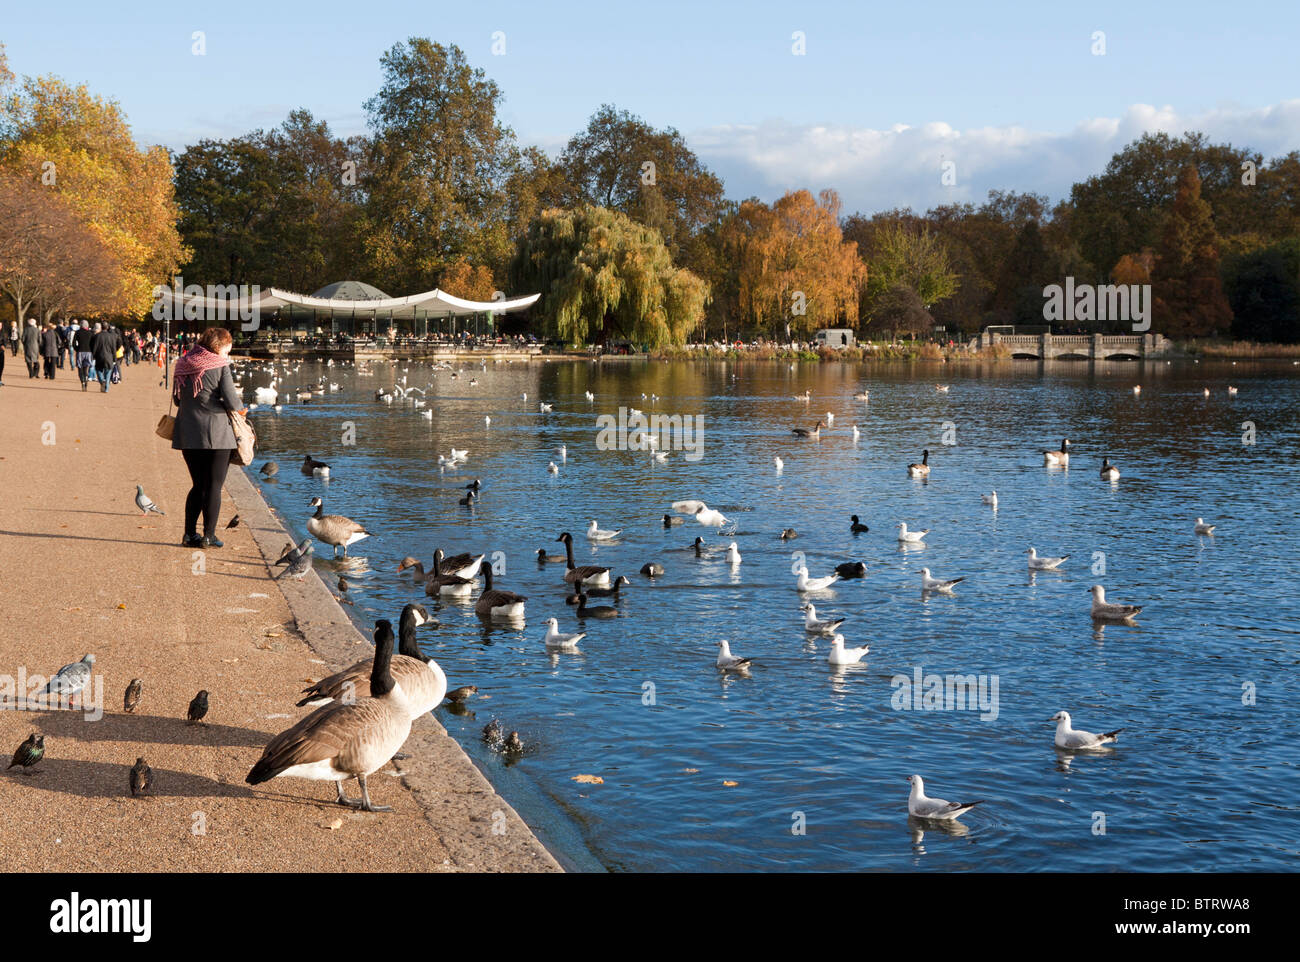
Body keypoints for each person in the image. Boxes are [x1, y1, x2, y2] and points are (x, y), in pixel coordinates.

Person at [171, 327, 246, 548]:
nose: (229, 351)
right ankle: (208, 535)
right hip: (216, 435)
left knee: (197, 485)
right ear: (220, 345)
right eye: (228, 346)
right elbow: (233, 402)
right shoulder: (220, 365)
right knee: (214, 485)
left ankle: (188, 534)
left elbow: (177, 400)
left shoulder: (183, 363)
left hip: (188, 433)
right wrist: (240, 411)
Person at [90, 322, 116, 392]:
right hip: (109, 356)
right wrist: (114, 359)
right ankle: (106, 387)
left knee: (98, 370)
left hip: (99, 356)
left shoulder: (97, 336)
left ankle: (102, 381)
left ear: (101, 327)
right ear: (107, 327)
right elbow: (114, 348)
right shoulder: (111, 336)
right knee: (108, 371)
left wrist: (93, 356)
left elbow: (94, 347)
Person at [73, 321, 94, 390]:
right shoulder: (90, 333)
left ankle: (82, 381)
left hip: (80, 351)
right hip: (88, 352)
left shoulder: (77, 332)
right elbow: (93, 343)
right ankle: (86, 378)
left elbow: (73, 343)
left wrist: (77, 348)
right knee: (86, 367)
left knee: (80, 367)